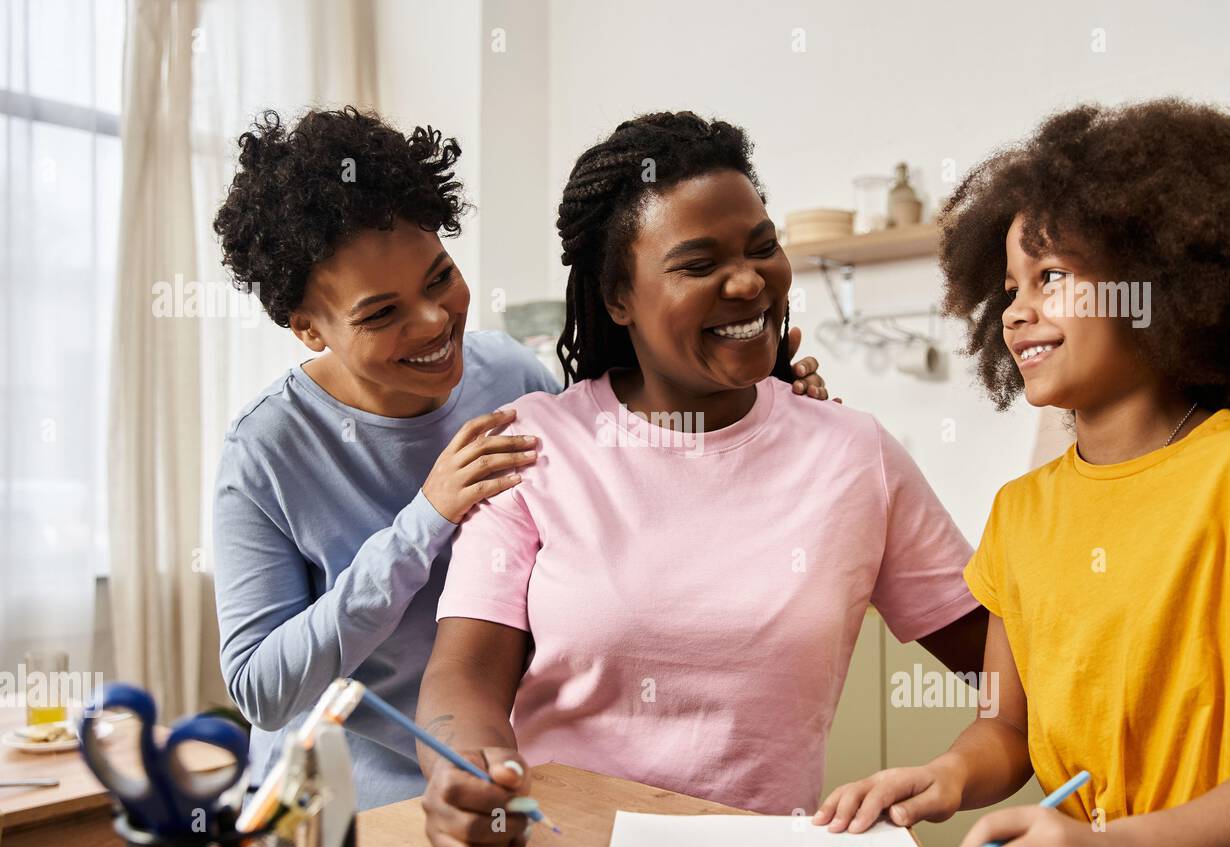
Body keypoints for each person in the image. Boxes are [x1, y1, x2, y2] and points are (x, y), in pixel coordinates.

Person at [210, 107, 831, 810]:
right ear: (308, 329)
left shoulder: (509, 377)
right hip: (350, 810)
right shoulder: (266, 451)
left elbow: (625, 490)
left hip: (504, 785)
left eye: (440, 278)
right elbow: (261, 688)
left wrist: (757, 403)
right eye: (381, 315)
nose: (434, 323)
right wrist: (422, 523)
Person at [416, 112, 987, 847]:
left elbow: (1008, 672)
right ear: (618, 297)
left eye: (763, 247)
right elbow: (465, 677)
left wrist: (956, 769)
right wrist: (470, 771)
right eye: (697, 264)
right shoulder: (534, 444)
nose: (750, 281)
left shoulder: (854, 455)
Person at [815, 100, 1230, 847]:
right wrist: (943, 775)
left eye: (1050, 277)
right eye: (1010, 287)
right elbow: (1006, 730)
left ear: (1162, 285)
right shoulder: (1021, 512)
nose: (1018, 312)